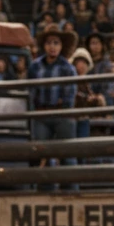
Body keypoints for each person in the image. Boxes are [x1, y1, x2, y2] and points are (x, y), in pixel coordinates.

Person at [27, 25, 78, 186]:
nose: (52, 47)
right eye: (49, 43)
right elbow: (30, 92)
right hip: (41, 114)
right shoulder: (35, 66)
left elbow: (69, 96)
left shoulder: (67, 67)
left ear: (61, 46)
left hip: (62, 115)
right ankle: (46, 191)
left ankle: (71, 190)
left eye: (56, 43)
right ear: (44, 46)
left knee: (67, 154)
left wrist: (63, 105)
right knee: (43, 154)